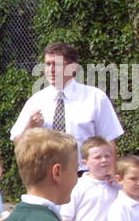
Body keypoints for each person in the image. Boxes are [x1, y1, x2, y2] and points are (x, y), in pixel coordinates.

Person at [10, 42, 123, 170]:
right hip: (47, 176)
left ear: (73, 68)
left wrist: (112, 174)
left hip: (85, 175)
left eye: (57, 64)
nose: (51, 70)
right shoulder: (36, 101)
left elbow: (109, 140)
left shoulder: (95, 98)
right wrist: (30, 126)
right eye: (47, 64)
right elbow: (18, 142)